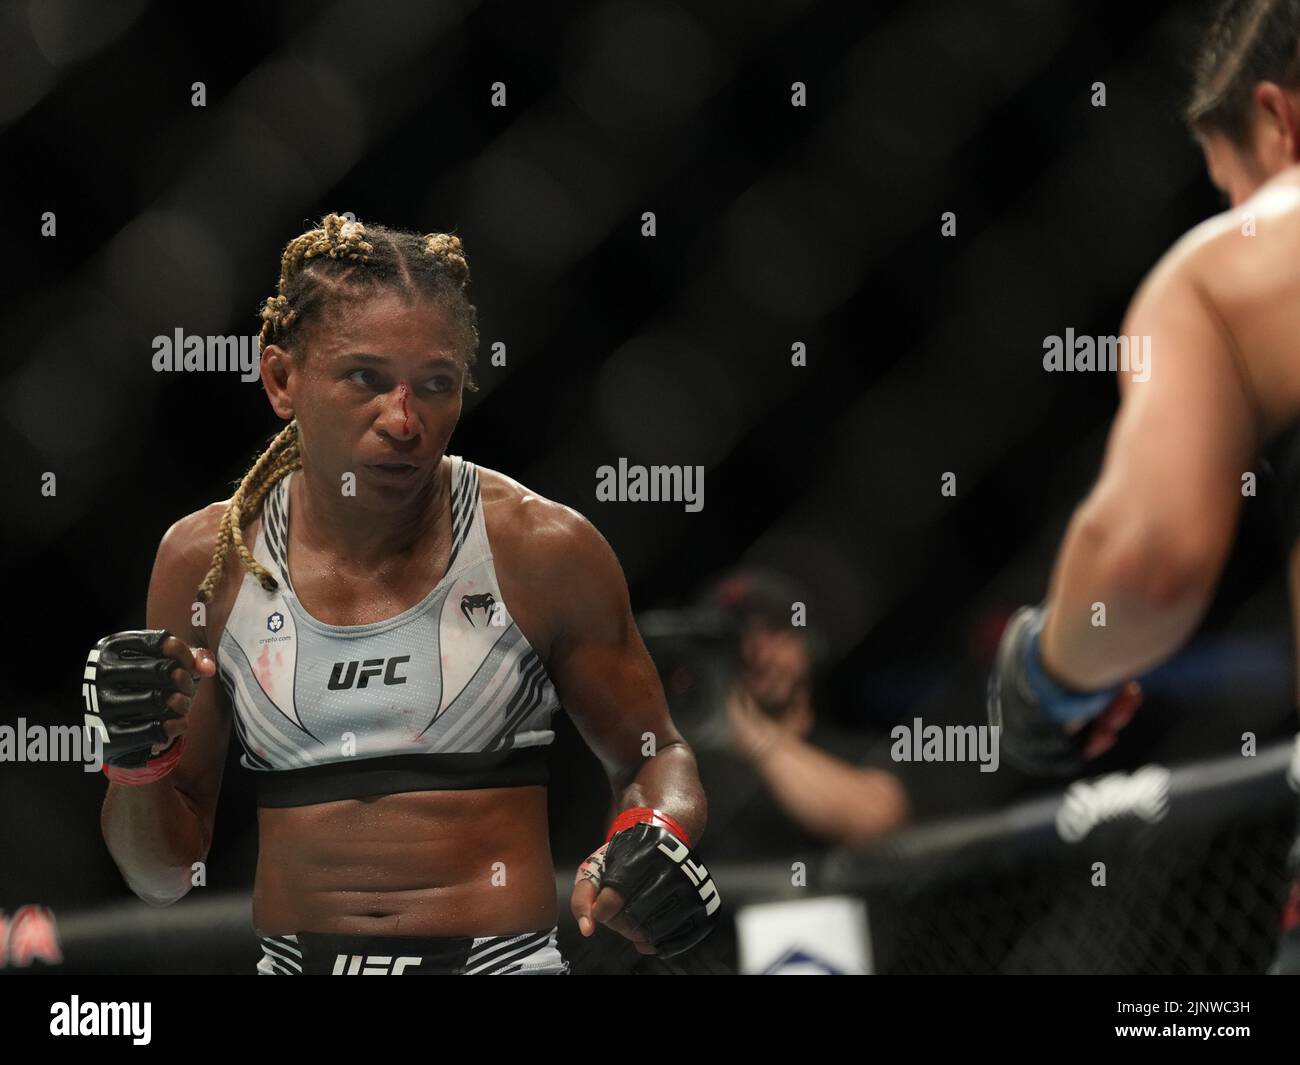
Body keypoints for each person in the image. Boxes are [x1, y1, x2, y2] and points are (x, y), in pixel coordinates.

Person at [83, 213, 720, 975]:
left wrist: (653, 830)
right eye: (366, 378)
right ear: (282, 379)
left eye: (436, 385)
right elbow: (160, 875)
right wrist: (132, 764)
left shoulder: (540, 549)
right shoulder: (207, 563)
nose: (404, 420)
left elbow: (658, 753)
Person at [987, 0, 1300, 974]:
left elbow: (1145, 568)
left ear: (1279, 116)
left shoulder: (1232, 273)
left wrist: (1047, 673)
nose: (1235, 211)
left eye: (1236, 184)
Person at [695, 569, 910, 864]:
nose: (755, 651)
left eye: (774, 630)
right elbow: (634, 849)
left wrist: (753, 734)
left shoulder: (856, 752)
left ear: (808, 643)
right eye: (734, 636)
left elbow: (878, 823)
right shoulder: (695, 770)